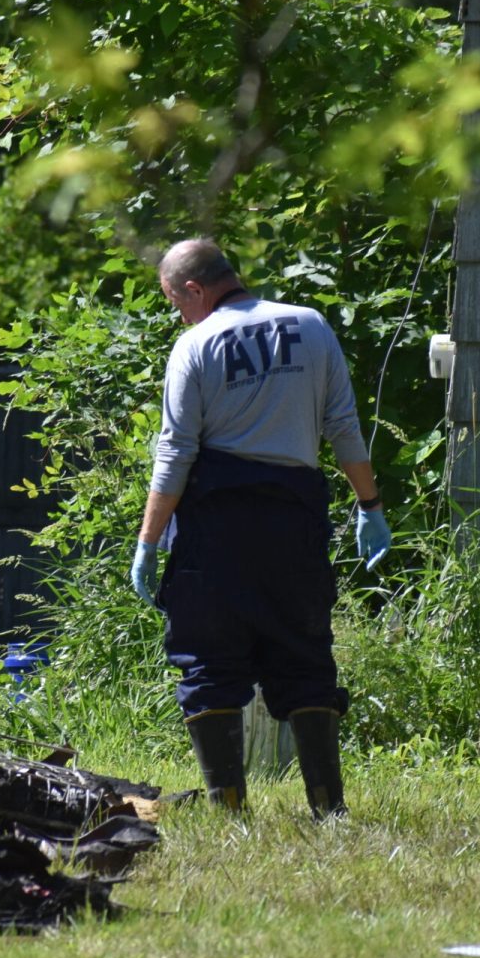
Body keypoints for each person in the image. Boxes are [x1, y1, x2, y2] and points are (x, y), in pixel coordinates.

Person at [129, 239, 389, 817]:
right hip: (293, 522)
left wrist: (148, 543)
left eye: (176, 301)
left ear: (194, 290)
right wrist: (369, 504)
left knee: (207, 659)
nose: (179, 313)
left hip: (214, 529)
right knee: (304, 654)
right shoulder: (311, 325)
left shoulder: (194, 345)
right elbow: (343, 425)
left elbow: (175, 454)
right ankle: (328, 809)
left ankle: (230, 811)